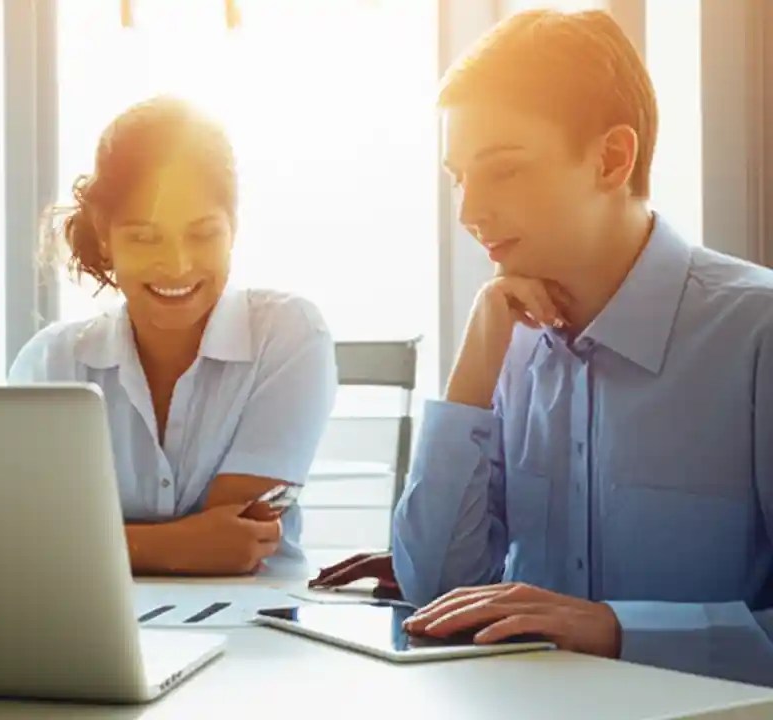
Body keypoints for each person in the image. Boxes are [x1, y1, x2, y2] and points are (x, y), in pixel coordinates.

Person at [311, 9, 773, 686]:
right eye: (458, 177)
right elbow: (435, 588)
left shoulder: (755, 333)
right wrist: (472, 371)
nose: (469, 212)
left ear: (612, 158)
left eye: (502, 171)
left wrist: (616, 629)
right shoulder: (508, 340)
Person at [10, 96, 336, 575]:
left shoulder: (288, 334)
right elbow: (23, 541)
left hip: (258, 628)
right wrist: (176, 545)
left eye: (203, 234)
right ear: (105, 236)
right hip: (88, 622)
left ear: (234, 229)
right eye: (144, 237)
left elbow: (235, 544)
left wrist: (97, 546)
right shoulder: (51, 362)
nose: (177, 265)